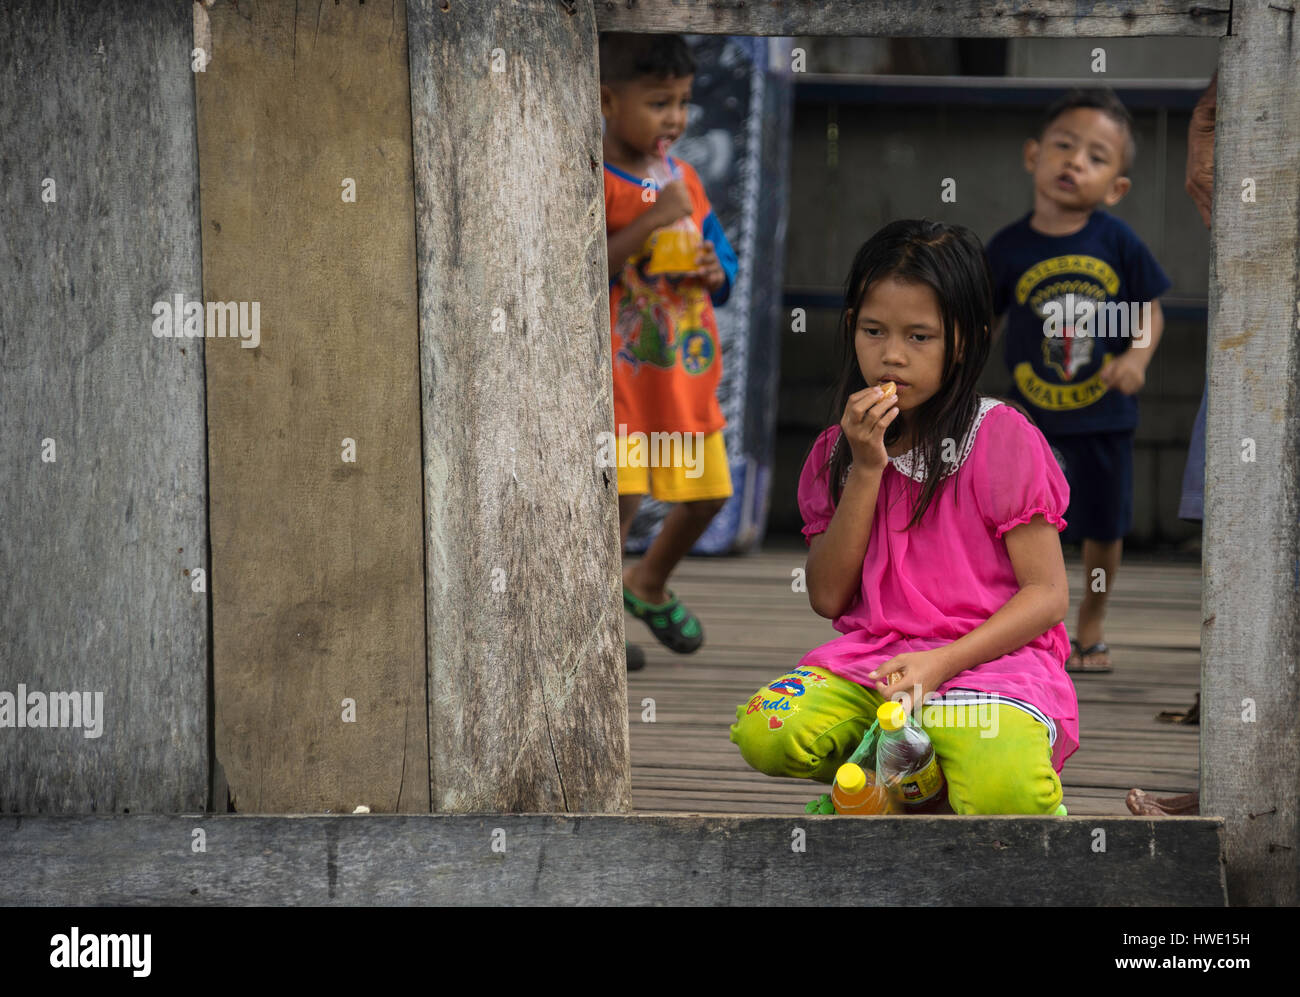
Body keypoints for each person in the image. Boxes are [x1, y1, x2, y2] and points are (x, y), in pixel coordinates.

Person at [730, 219, 1077, 815]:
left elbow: (1046, 595)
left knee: (1006, 791)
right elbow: (829, 597)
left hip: (993, 668)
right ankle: (913, 766)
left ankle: (914, 774)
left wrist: (940, 663)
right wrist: (866, 468)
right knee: (768, 730)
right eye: (874, 331)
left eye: (920, 337)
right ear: (850, 329)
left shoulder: (1002, 438)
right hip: (877, 664)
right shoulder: (834, 453)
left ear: (964, 340)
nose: (892, 355)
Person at [985, 89, 1171, 674]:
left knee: (1103, 525)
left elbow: (1149, 309)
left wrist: (1137, 358)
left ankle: (1089, 623)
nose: (1074, 162)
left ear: (1116, 186)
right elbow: (980, 321)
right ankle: (1026, 626)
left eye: (1095, 157)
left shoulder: (1118, 243)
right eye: (1064, 147)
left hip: (1104, 418)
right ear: (1033, 154)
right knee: (1020, 524)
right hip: (1029, 421)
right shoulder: (1009, 247)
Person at [599, 33, 739, 669]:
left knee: (708, 496)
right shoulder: (597, 178)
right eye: (659, 103)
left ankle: (647, 584)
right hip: (623, 380)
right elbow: (588, 267)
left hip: (684, 377)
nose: (675, 119)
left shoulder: (683, 176)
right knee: (618, 506)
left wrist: (717, 268)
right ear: (606, 100)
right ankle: (597, 628)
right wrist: (654, 218)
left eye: (682, 102)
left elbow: (719, 249)